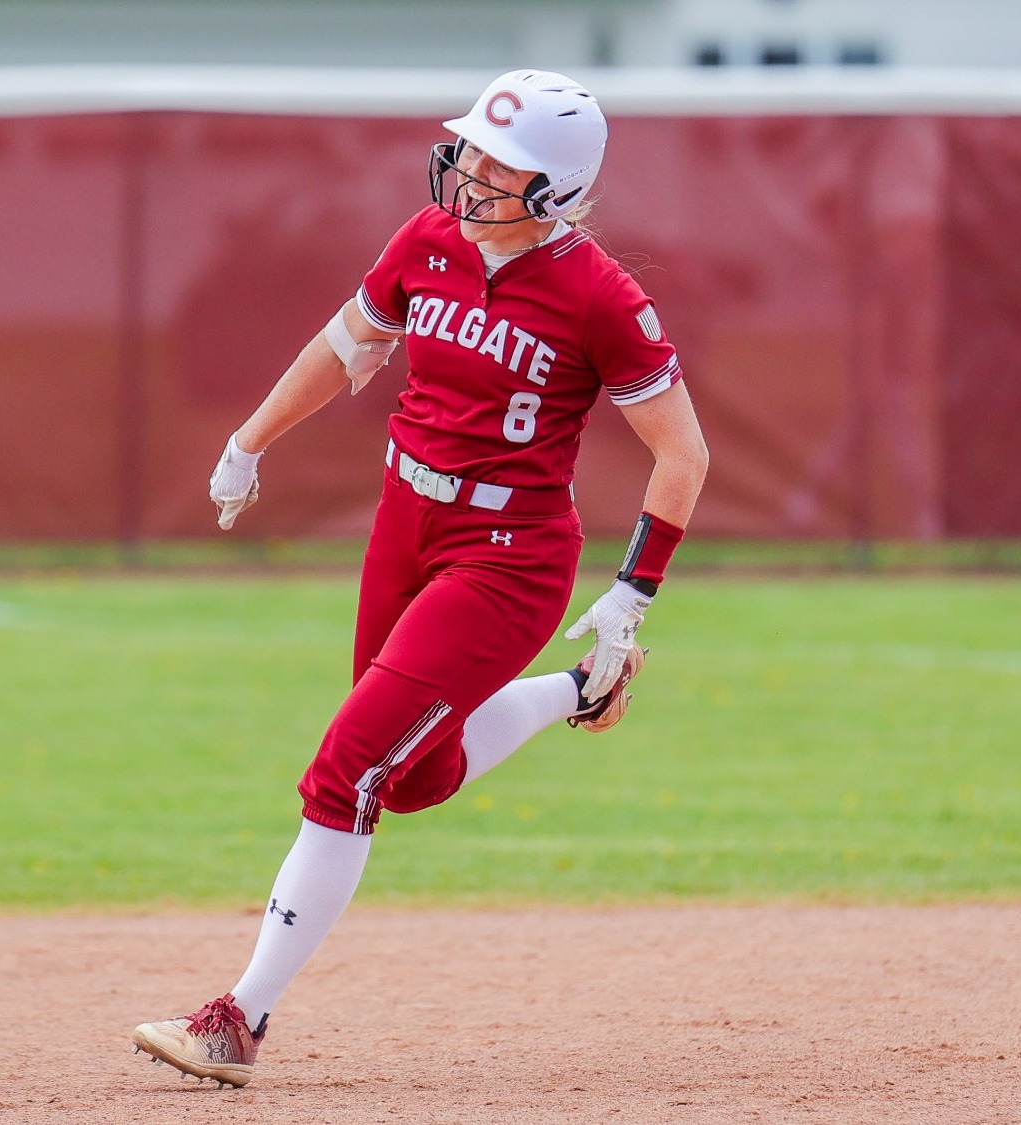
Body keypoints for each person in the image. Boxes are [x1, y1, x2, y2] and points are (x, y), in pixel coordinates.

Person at [130, 69, 710, 1089]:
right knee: (413, 777)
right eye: (473, 150)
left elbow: (682, 455)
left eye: (503, 163)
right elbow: (345, 346)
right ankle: (577, 697)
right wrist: (249, 440)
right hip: (406, 520)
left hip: (509, 554)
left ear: (559, 186)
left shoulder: (600, 296)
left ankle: (238, 1018)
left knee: (346, 765)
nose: (473, 172)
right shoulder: (427, 240)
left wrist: (629, 596)